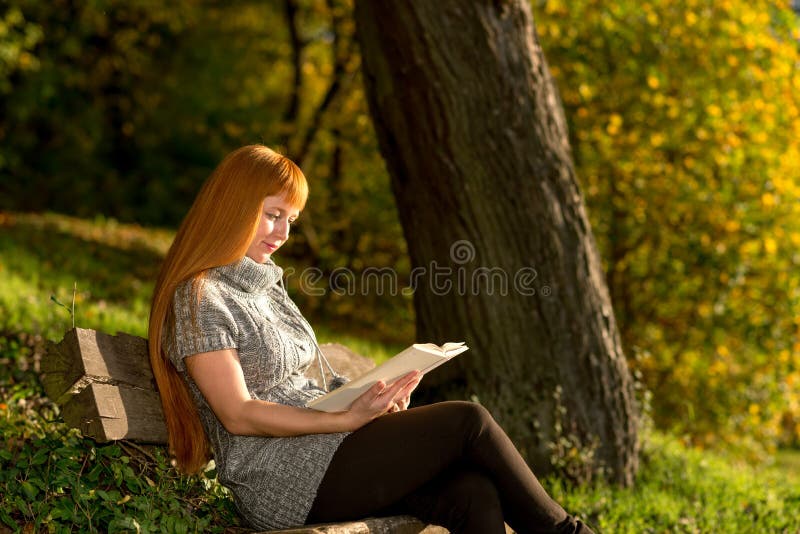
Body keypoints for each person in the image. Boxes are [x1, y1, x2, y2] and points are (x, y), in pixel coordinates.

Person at [148, 145, 595, 533]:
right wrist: (344, 421)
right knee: (469, 422)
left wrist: (375, 398)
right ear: (233, 206)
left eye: (291, 220)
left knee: (473, 494)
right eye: (273, 215)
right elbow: (238, 414)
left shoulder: (263, 287)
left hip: (326, 450)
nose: (283, 233)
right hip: (278, 475)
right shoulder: (200, 296)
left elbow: (308, 388)